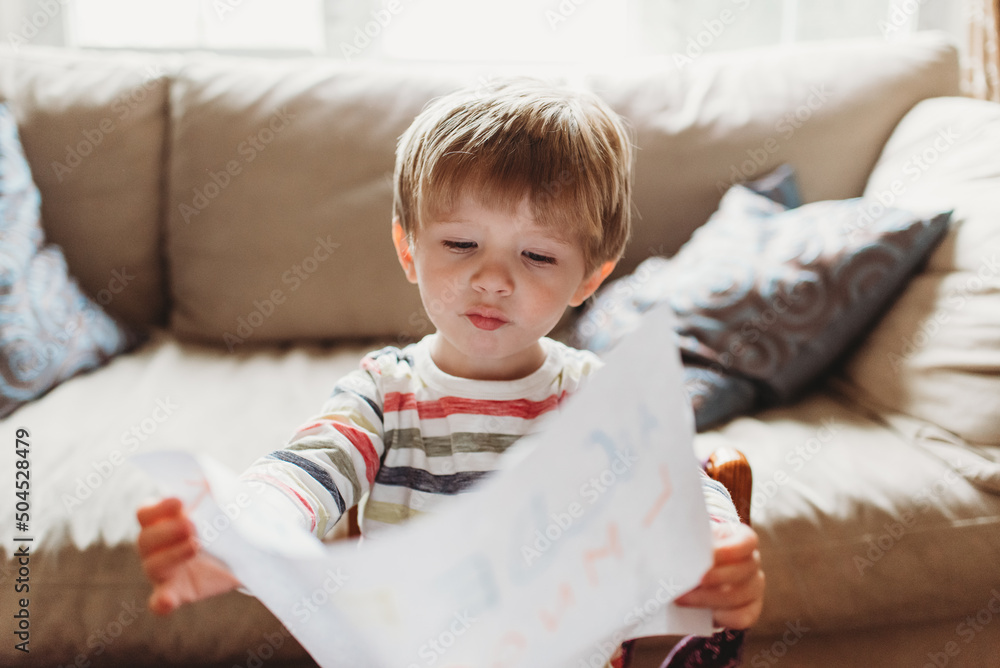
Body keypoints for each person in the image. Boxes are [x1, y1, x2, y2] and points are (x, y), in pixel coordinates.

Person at [136, 78, 764, 654]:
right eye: (461, 244)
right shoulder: (383, 395)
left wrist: (716, 549)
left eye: (538, 256)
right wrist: (236, 538)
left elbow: (678, 484)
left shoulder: (593, 396)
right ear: (408, 249)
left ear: (590, 279)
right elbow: (303, 473)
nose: (491, 279)